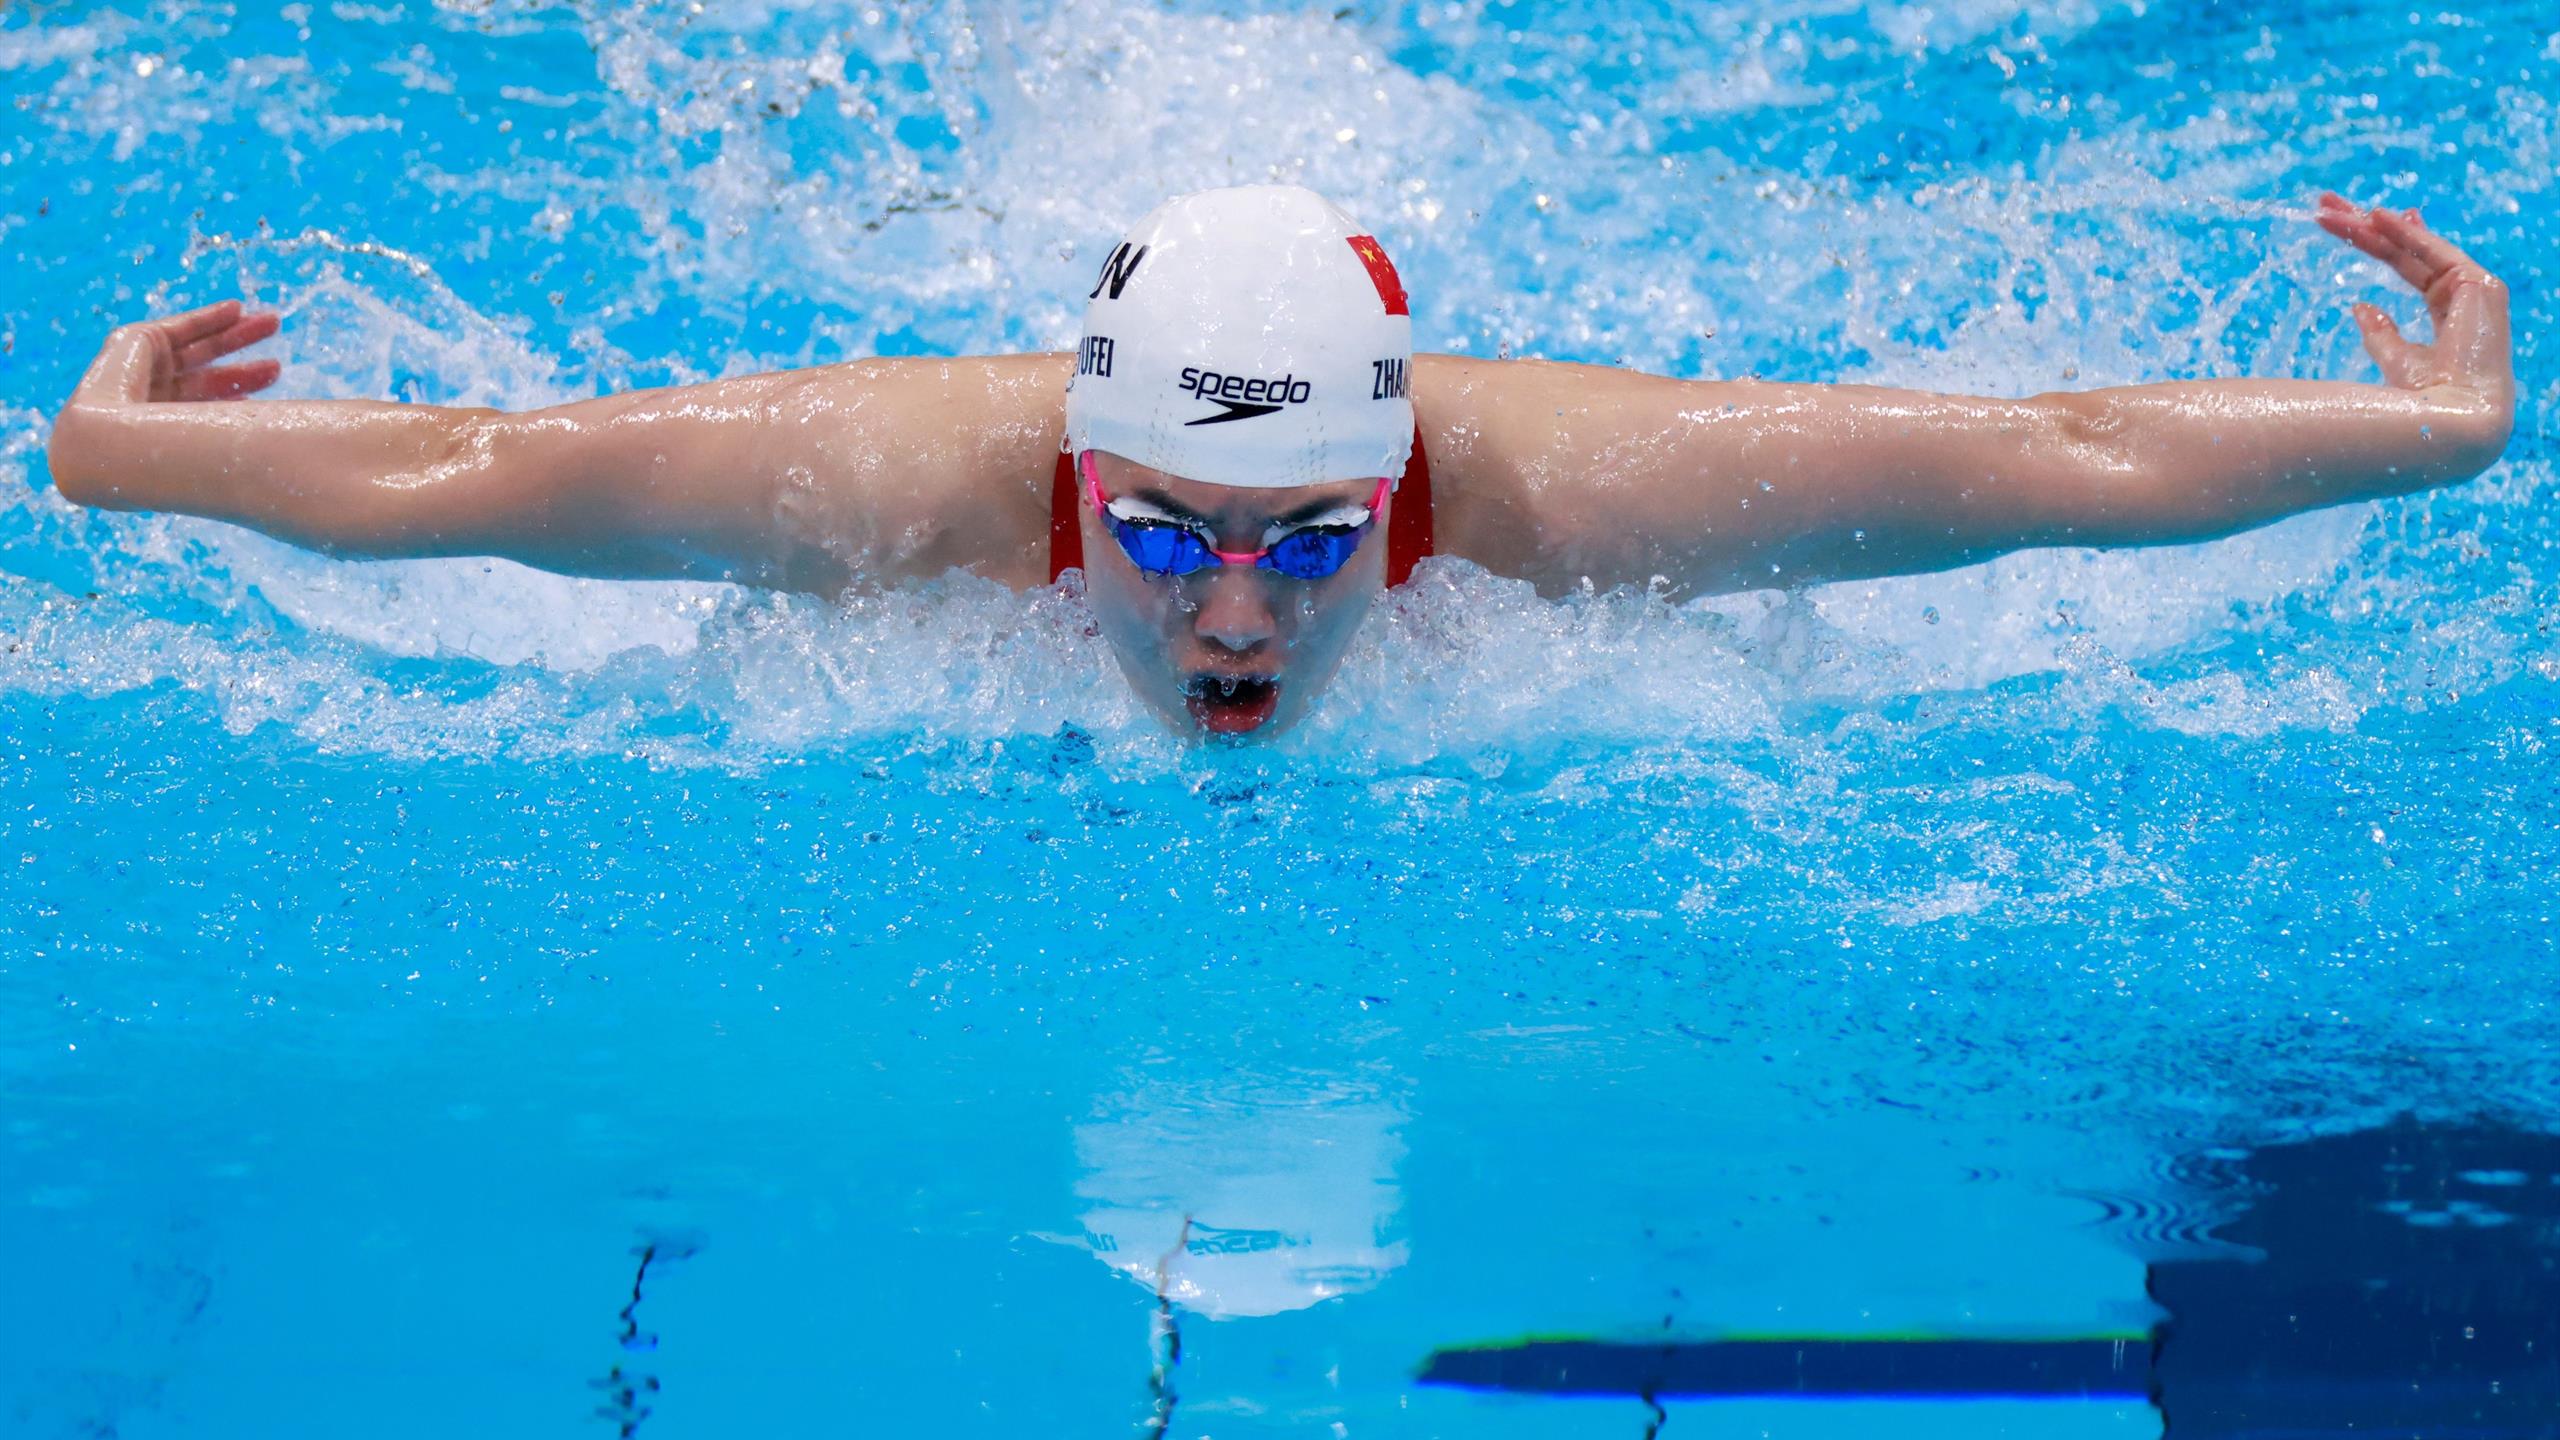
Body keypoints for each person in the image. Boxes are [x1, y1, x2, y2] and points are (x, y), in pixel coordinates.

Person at [42, 186, 2514, 738]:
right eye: (1162, 537)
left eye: (1317, 543)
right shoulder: (895, 480)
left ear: (1396, 484)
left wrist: (2438, 431)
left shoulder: (1563, 492)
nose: (1235, 616)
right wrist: (103, 454)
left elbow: (2048, 453)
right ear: (1074, 476)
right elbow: (473, 467)